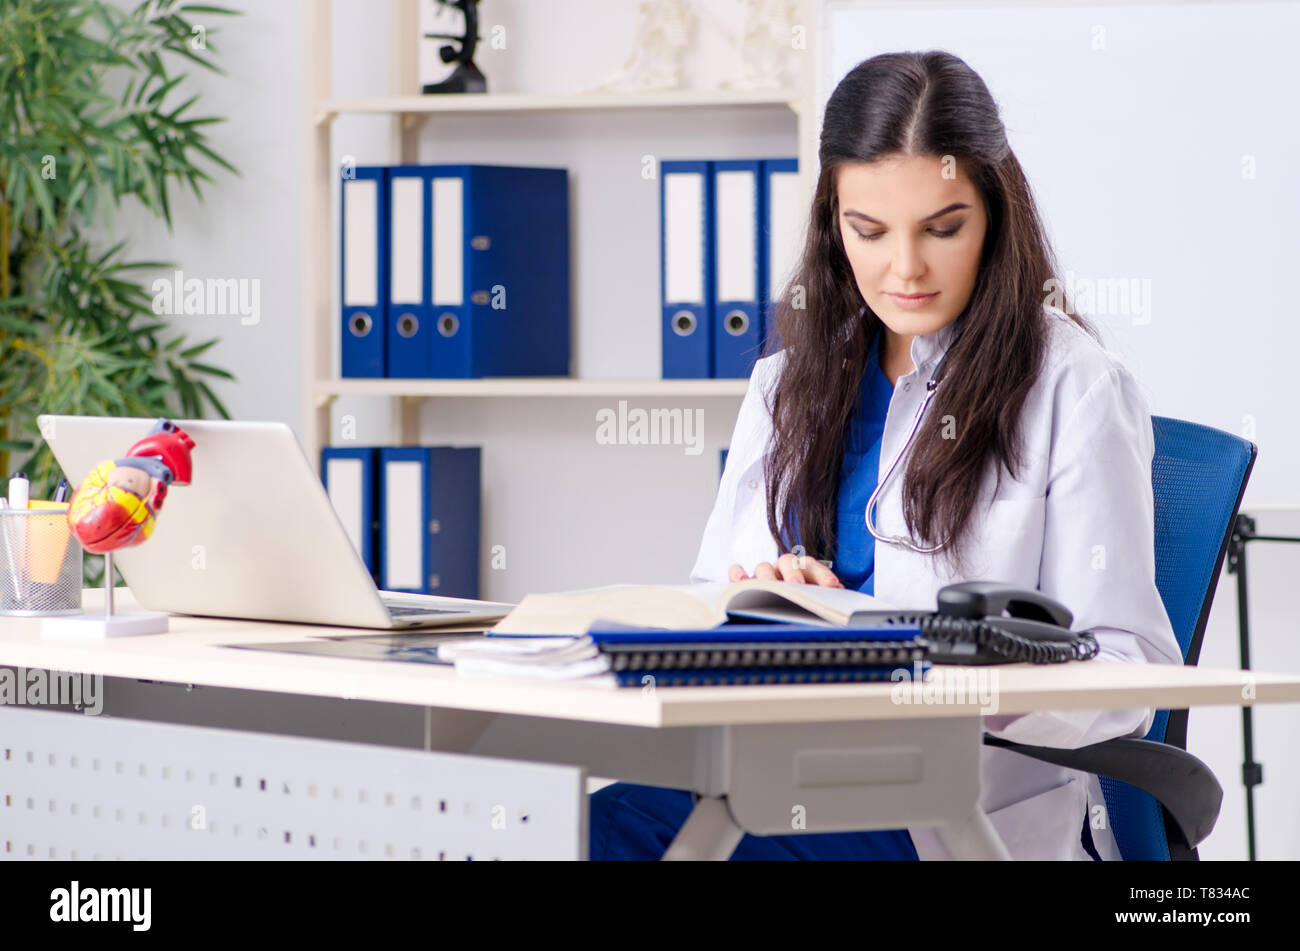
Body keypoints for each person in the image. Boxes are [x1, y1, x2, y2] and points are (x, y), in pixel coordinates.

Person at [589, 50, 1182, 861]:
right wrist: (762, 601)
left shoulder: (1072, 387)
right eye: (868, 231)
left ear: (995, 217)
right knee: (589, 821)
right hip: (785, 766)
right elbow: (710, 595)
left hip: (948, 809)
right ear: (834, 224)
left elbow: (1133, 667)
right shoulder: (786, 382)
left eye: (944, 228)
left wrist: (964, 682)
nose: (905, 268)